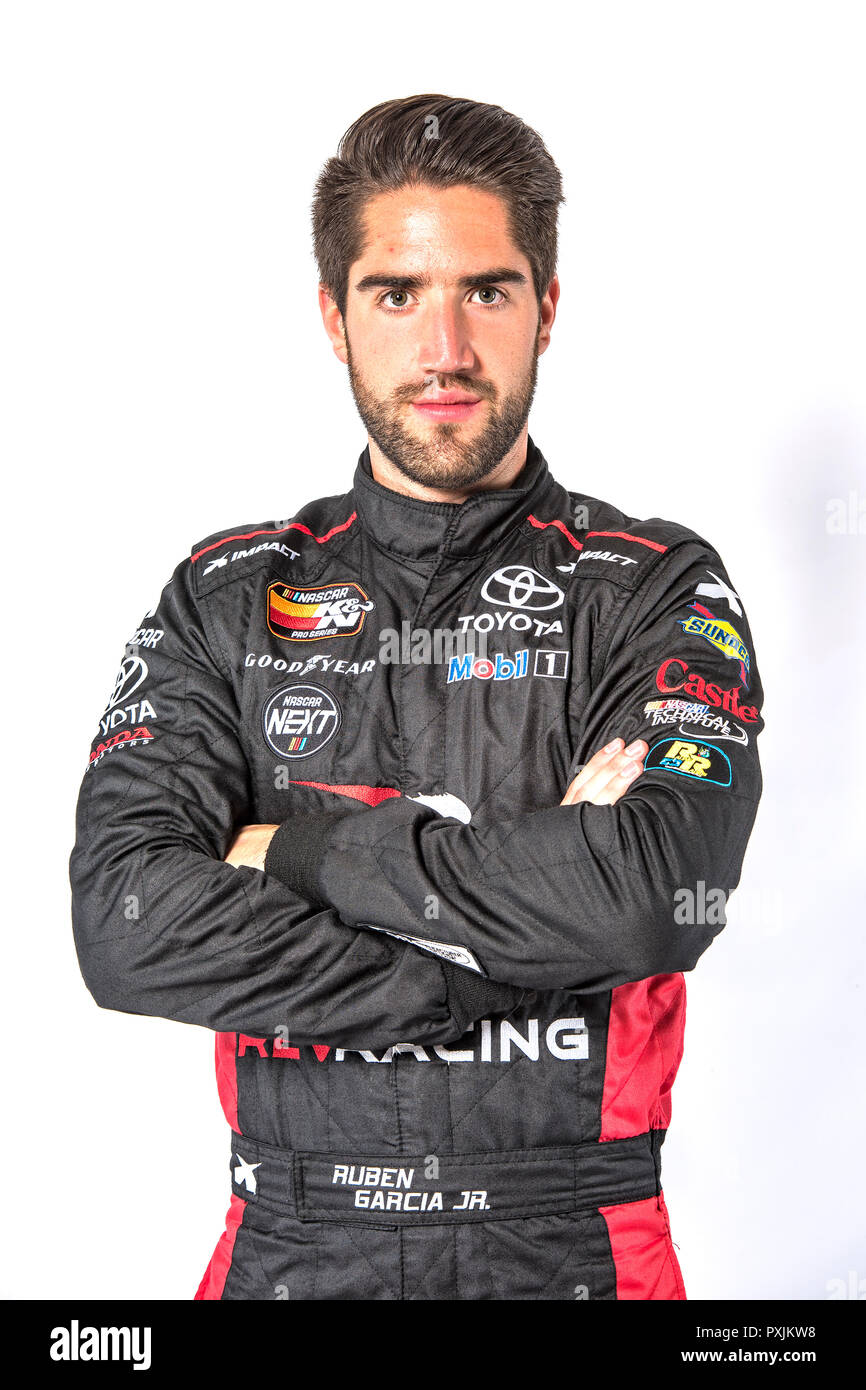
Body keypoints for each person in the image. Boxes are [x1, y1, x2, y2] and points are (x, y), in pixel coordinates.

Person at [70, 93, 763, 1301]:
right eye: (396, 293)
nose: (443, 347)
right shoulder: (226, 594)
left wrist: (292, 849)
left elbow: (650, 896)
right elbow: (127, 922)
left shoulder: (653, 586)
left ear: (547, 308)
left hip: (576, 1248)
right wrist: (524, 947)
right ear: (333, 318)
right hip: (289, 1245)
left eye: (485, 291)